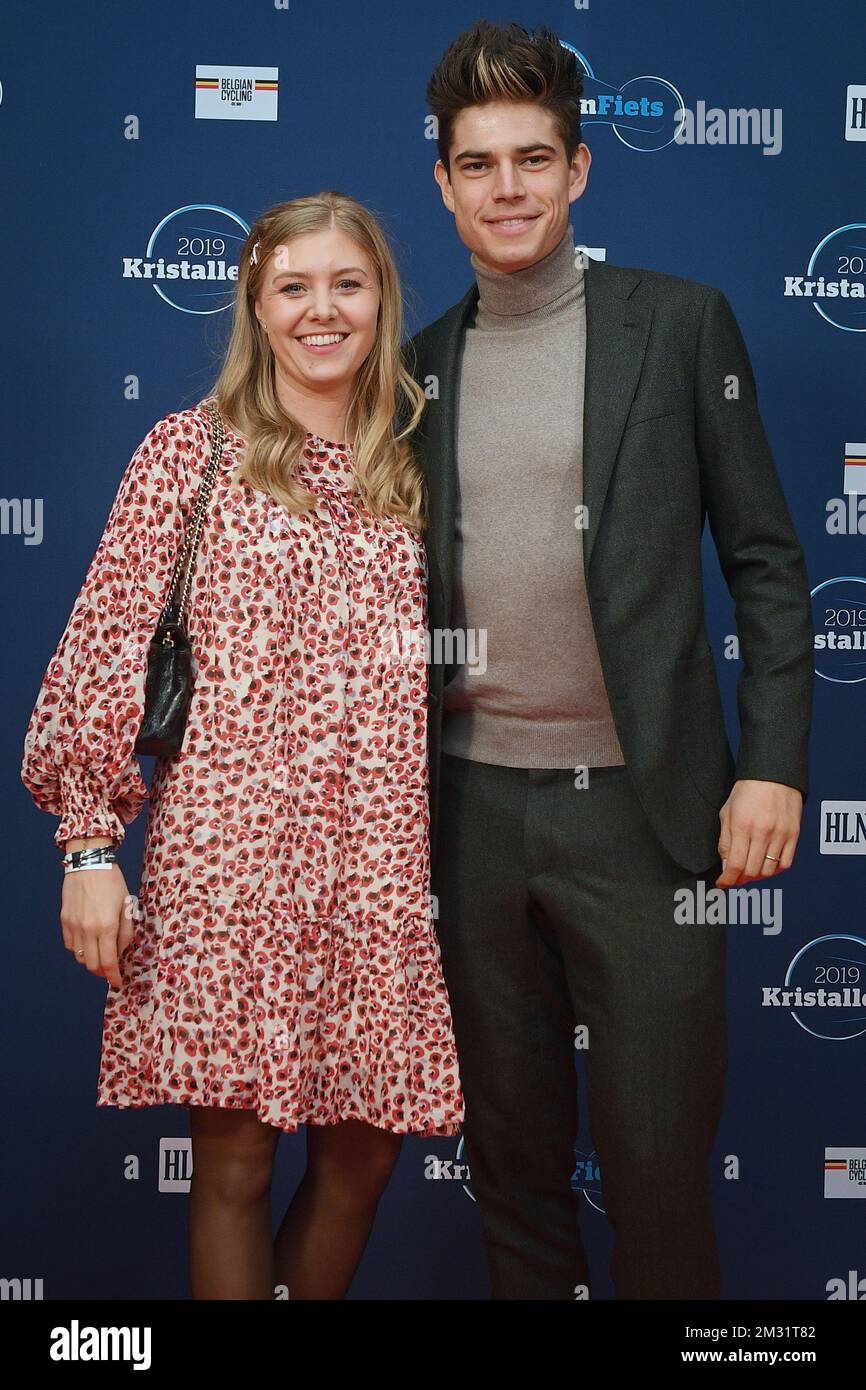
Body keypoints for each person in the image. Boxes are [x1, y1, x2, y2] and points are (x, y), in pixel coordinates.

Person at [404, 22, 814, 1300]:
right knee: (512, 1164)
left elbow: (766, 564)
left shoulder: (682, 326)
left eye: (534, 157)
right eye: (479, 164)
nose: (508, 187)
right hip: (465, 815)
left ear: (580, 169)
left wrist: (774, 769)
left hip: (646, 814)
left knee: (653, 1167)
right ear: (445, 185)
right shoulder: (411, 371)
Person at [21, 191, 464, 1300]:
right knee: (235, 1153)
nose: (323, 310)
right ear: (256, 307)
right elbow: (105, 647)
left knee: (364, 1153)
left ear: (381, 298)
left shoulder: (418, 464)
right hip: (230, 854)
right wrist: (88, 849)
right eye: (293, 287)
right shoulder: (190, 455)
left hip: (378, 857)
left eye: (346, 284)